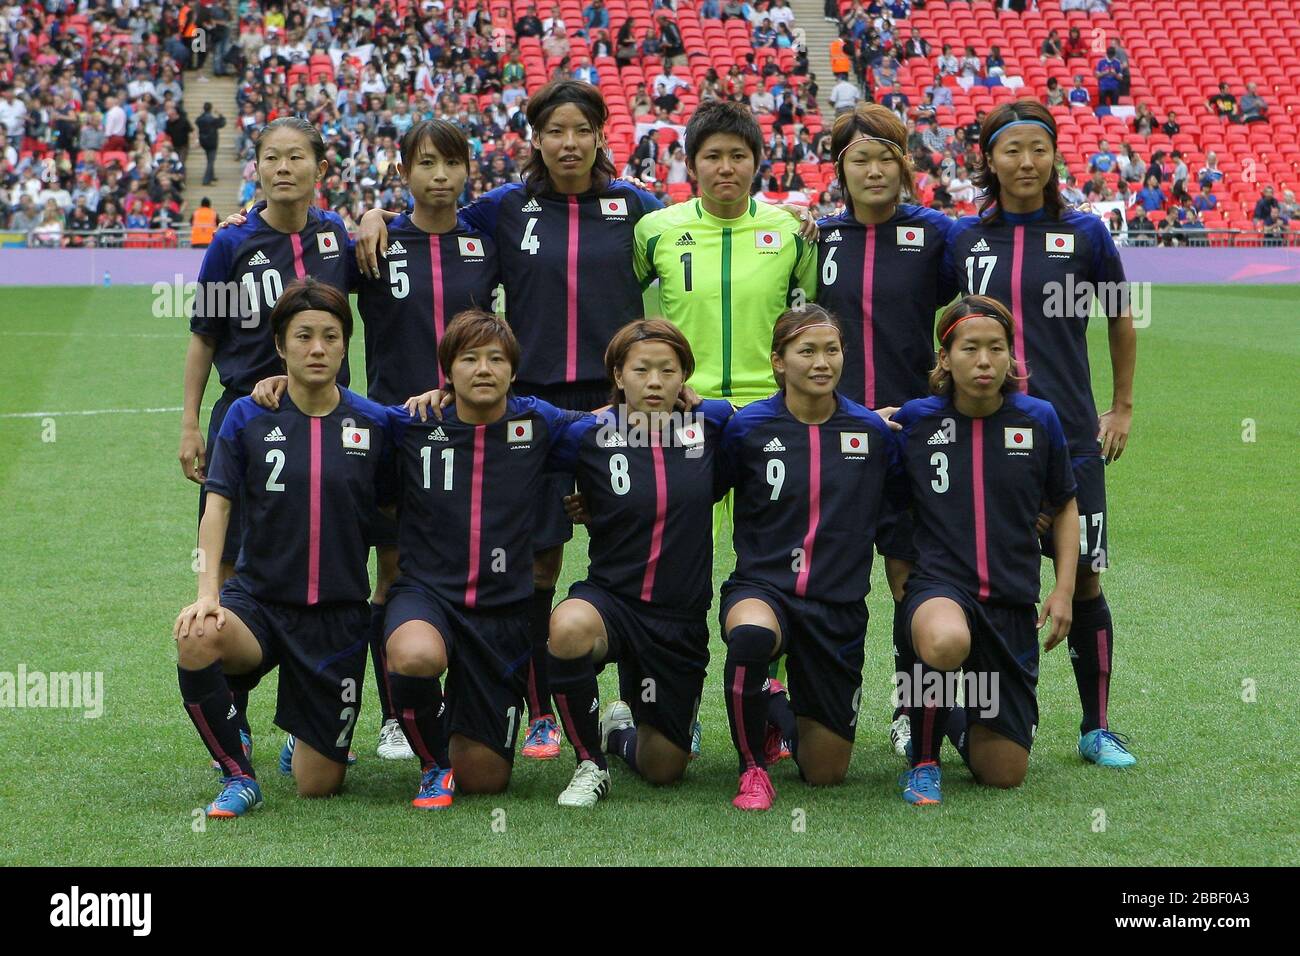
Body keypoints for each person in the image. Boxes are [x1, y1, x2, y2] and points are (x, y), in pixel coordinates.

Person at [358, 81, 663, 761]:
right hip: (533, 411)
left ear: (599, 134)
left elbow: (697, 225)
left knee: (637, 557)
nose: (569, 142)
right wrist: (373, 214)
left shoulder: (637, 208)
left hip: (621, 406)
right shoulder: (502, 209)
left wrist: (799, 220)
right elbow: (429, 214)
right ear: (535, 138)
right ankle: (538, 709)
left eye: (581, 129)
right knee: (534, 564)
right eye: (555, 130)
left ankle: (645, 706)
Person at [255, 120, 502, 762]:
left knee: (477, 563)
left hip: (474, 431)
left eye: (451, 163)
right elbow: (311, 298)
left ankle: (485, 709)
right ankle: (384, 715)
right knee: (384, 570)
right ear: (403, 173)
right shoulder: (376, 243)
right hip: (390, 433)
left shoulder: (488, 238)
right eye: (426, 163)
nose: (440, 176)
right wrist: (363, 215)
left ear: (468, 170)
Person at [946, 101, 1138, 769]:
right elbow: (930, 322)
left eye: (1039, 149)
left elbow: (1120, 317)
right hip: (982, 438)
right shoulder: (963, 238)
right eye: (1011, 150)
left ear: (1054, 156)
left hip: (1071, 439)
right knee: (980, 580)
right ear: (988, 159)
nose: (1026, 162)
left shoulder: (1085, 233)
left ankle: (1097, 727)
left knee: (1082, 577)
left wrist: (1121, 407)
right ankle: (967, 721)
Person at [174, 279, 399, 818]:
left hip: (338, 618)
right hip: (260, 606)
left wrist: (385, 587)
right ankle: (237, 775)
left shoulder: (375, 423)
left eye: (330, 336)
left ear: (346, 345)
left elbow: (393, 514)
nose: (317, 348)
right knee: (197, 635)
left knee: (317, 787)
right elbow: (219, 507)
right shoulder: (248, 417)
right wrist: (209, 593)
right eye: (303, 337)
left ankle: (304, 735)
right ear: (281, 346)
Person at [181, 118, 354, 766]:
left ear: (318, 167)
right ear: (255, 168)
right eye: (272, 157)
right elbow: (203, 337)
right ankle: (238, 721)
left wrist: (373, 220)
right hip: (245, 418)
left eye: (297, 157)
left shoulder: (336, 236)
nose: (284, 168)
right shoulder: (231, 245)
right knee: (230, 569)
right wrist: (192, 422)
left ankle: (307, 719)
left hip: (321, 415)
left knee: (320, 557)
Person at [380, 310, 587, 807]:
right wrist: (285, 381)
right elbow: (337, 414)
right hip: (427, 595)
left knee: (487, 780)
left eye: (496, 359)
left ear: (513, 371)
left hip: (501, 612)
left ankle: (457, 718)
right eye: (468, 359)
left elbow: (610, 430)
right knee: (414, 656)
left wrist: (685, 405)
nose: (483, 369)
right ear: (447, 372)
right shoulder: (413, 423)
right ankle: (433, 766)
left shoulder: (537, 422)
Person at [812, 103, 958, 757]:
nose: (875, 171)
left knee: (908, 579)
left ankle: (912, 710)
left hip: (911, 434)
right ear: (840, 168)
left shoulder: (936, 235)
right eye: (860, 159)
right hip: (831, 433)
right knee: (819, 577)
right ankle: (808, 711)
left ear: (906, 164)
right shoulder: (817, 240)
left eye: (887, 157)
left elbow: (977, 325)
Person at [893, 295, 1079, 805]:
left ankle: (953, 715)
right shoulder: (916, 421)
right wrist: (900, 586)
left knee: (1003, 773)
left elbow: (1064, 505)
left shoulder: (1039, 419)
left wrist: (1063, 592)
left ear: (1012, 358)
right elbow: (891, 505)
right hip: (939, 590)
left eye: (996, 349)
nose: (983, 361)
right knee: (945, 641)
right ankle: (924, 760)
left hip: (1010, 600)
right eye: (969, 348)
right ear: (944, 358)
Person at [717, 307, 901, 811]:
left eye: (831, 350)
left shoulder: (873, 433)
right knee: (753, 636)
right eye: (806, 351)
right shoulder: (747, 428)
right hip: (763, 590)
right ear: (778, 362)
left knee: (826, 772)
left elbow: (905, 511)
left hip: (836, 606)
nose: (822, 362)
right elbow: (695, 491)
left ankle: (773, 703)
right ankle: (752, 768)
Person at [546, 320, 734, 806]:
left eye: (667, 370)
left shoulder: (712, 424)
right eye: (642, 370)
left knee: (663, 769)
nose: (655, 382)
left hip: (678, 618)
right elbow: (512, 423)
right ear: (618, 373)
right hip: (612, 602)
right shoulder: (586, 433)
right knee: (567, 628)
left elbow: (779, 421)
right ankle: (590, 762)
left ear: (685, 377)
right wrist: (434, 399)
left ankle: (618, 733)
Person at [635, 101, 819, 408]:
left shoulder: (793, 231)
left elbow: (807, 317)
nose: (726, 168)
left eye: (738, 156)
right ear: (691, 165)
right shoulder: (655, 231)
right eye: (712, 156)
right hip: (685, 402)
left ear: (756, 162)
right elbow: (617, 304)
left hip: (771, 404)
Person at [196, 102, 226, 186]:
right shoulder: (212, 119)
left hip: (203, 141)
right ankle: (206, 180)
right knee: (211, 161)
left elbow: (197, 121)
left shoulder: (200, 119)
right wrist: (220, 115)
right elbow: (222, 123)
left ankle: (211, 175)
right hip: (212, 141)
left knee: (209, 159)